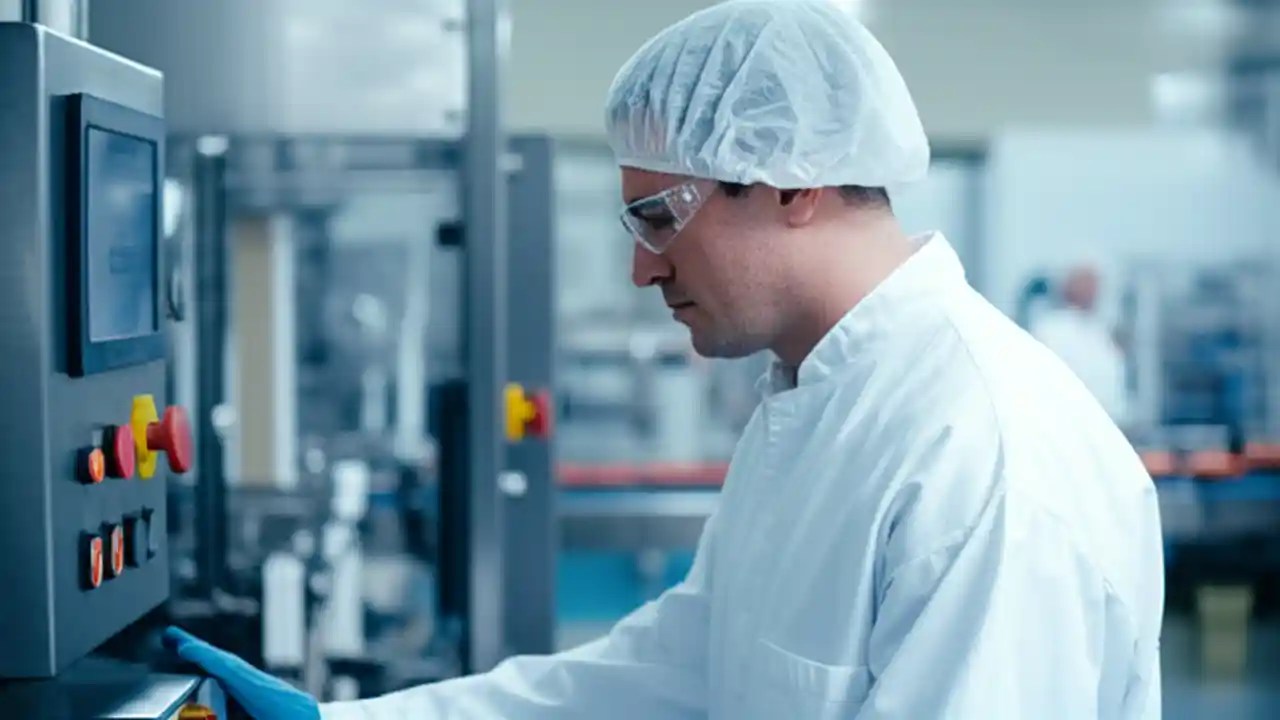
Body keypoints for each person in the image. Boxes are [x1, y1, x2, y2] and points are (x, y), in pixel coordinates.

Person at [166, 1, 1164, 717]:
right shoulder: (817, 404)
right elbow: (677, 667)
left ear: (792, 184)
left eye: (658, 217)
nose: (641, 269)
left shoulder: (976, 456)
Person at [1031, 264, 1132, 425]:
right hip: (1067, 424)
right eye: (1085, 282)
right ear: (1069, 285)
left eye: (1095, 284)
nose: (1092, 290)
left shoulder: (1099, 331)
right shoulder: (1050, 329)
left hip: (1108, 424)